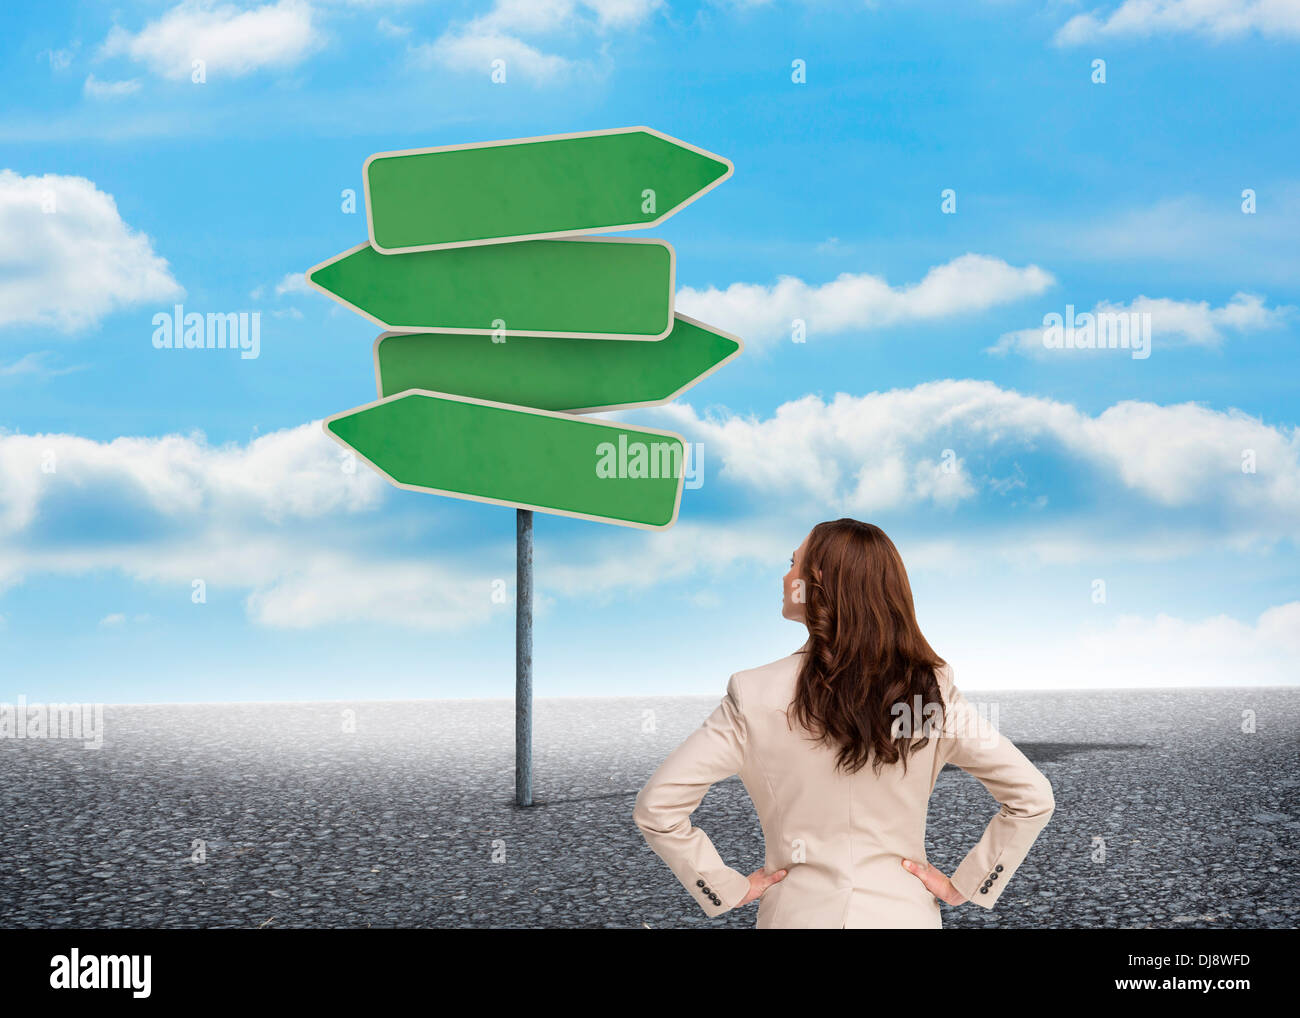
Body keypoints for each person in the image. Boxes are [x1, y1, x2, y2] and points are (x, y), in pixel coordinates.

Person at [633, 518, 1055, 928]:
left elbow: (658, 808)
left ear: (817, 577)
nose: (784, 576)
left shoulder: (752, 692)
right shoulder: (931, 692)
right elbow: (1032, 798)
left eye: (792, 562)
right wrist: (968, 885)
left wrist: (723, 888)